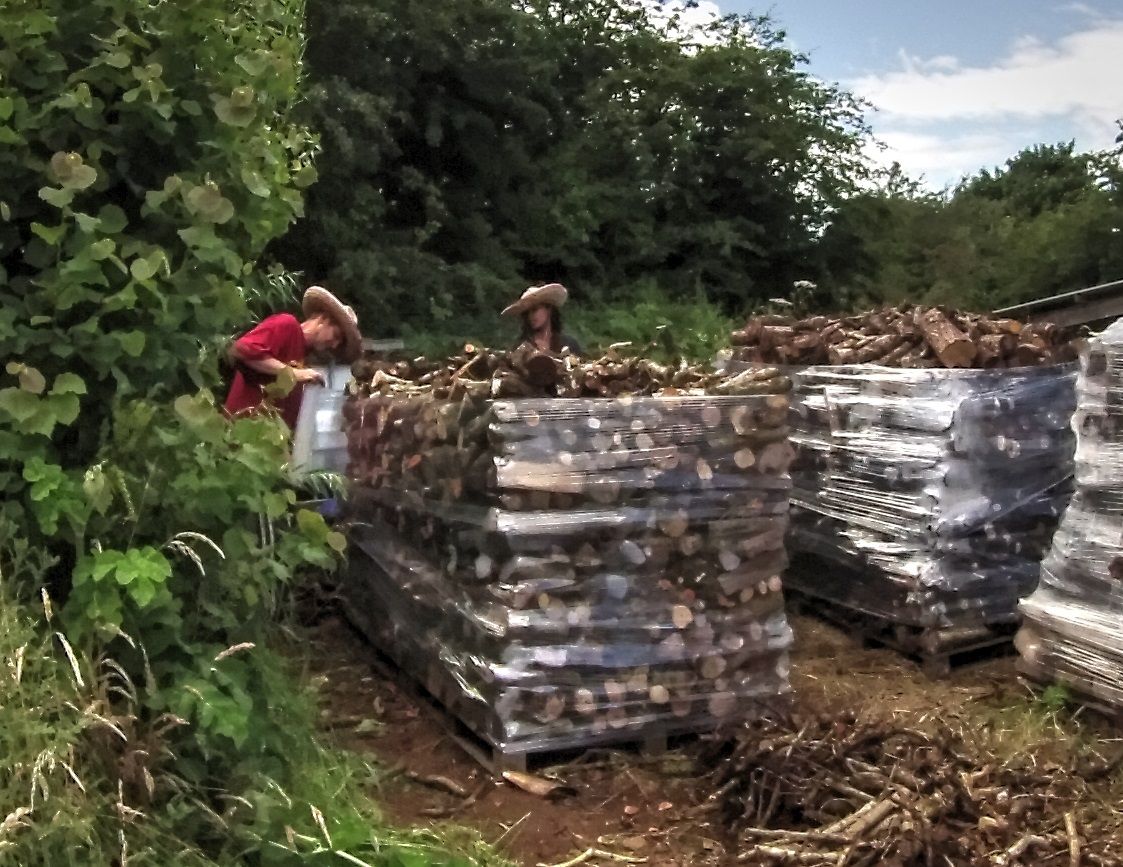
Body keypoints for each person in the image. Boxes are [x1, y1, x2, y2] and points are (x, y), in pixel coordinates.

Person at [224, 285, 361, 429]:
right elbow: (240, 349)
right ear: (324, 319)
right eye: (336, 336)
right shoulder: (287, 325)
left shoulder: (304, 356)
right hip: (240, 435)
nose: (334, 346)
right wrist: (295, 373)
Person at [501, 282, 583, 356]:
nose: (530, 316)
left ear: (548, 309)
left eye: (534, 310)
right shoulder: (520, 347)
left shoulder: (568, 344)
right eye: (527, 313)